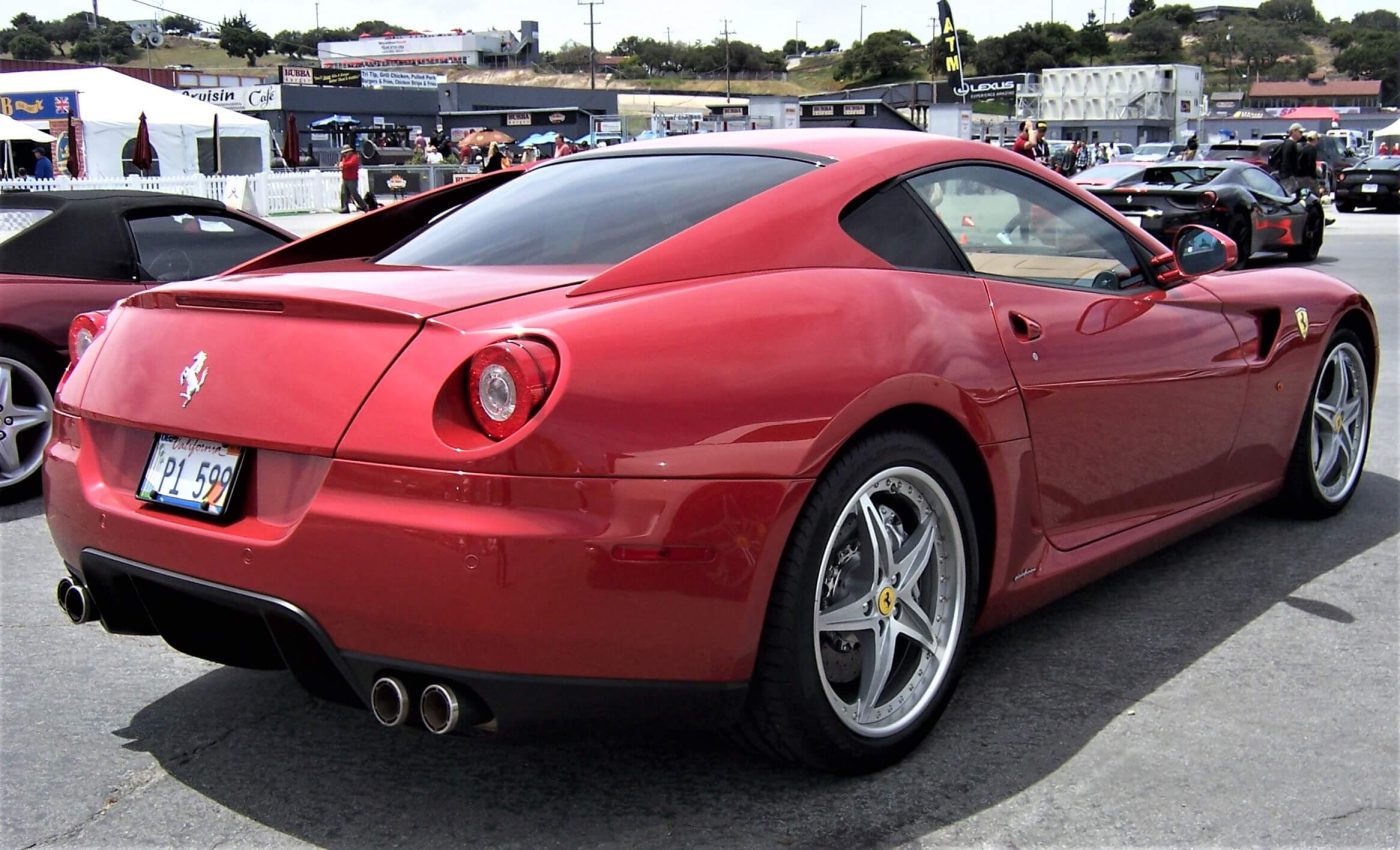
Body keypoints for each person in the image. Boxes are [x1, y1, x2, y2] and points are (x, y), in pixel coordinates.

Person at [1000, 120, 1040, 244]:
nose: (1030, 133)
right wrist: (1030, 127)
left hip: (1026, 182)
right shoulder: (1019, 143)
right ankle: (1005, 232)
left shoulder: (1025, 142)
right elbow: (1033, 142)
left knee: (1026, 214)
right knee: (1025, 213)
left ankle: (1025, 240)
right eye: (1027, 131)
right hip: (1021, 184)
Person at [338, 144, 367, 213]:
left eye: (346, 152)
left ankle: (364, 206)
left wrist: (343, 165)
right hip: (345, 178)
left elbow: (350, 164)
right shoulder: (344, 159)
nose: (344, 154)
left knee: (354, 193)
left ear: (349, 152)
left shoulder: (354, 157)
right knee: (344, 194)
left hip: (352, 179)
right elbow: (342, 166)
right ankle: (345, 207)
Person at [1278, 123, 1305, 193]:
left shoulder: (1289, 143)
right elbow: (1286, 160)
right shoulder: (1290, 144)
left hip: (1288, 176)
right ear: (1294, 131)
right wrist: (1290, 174)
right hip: (1288, 176)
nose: (1301, 134)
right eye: (1300, 132)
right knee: (1288, 194)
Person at [1297, 131, 1321, 197]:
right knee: (1314, 195)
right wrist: (1315, 176)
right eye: (1318, 139)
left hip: (1298, 176)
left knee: (1301, 195)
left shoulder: (1300, 147)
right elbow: (1311, 164)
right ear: (1315, 139)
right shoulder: (1312, 149)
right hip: (1308, 177)